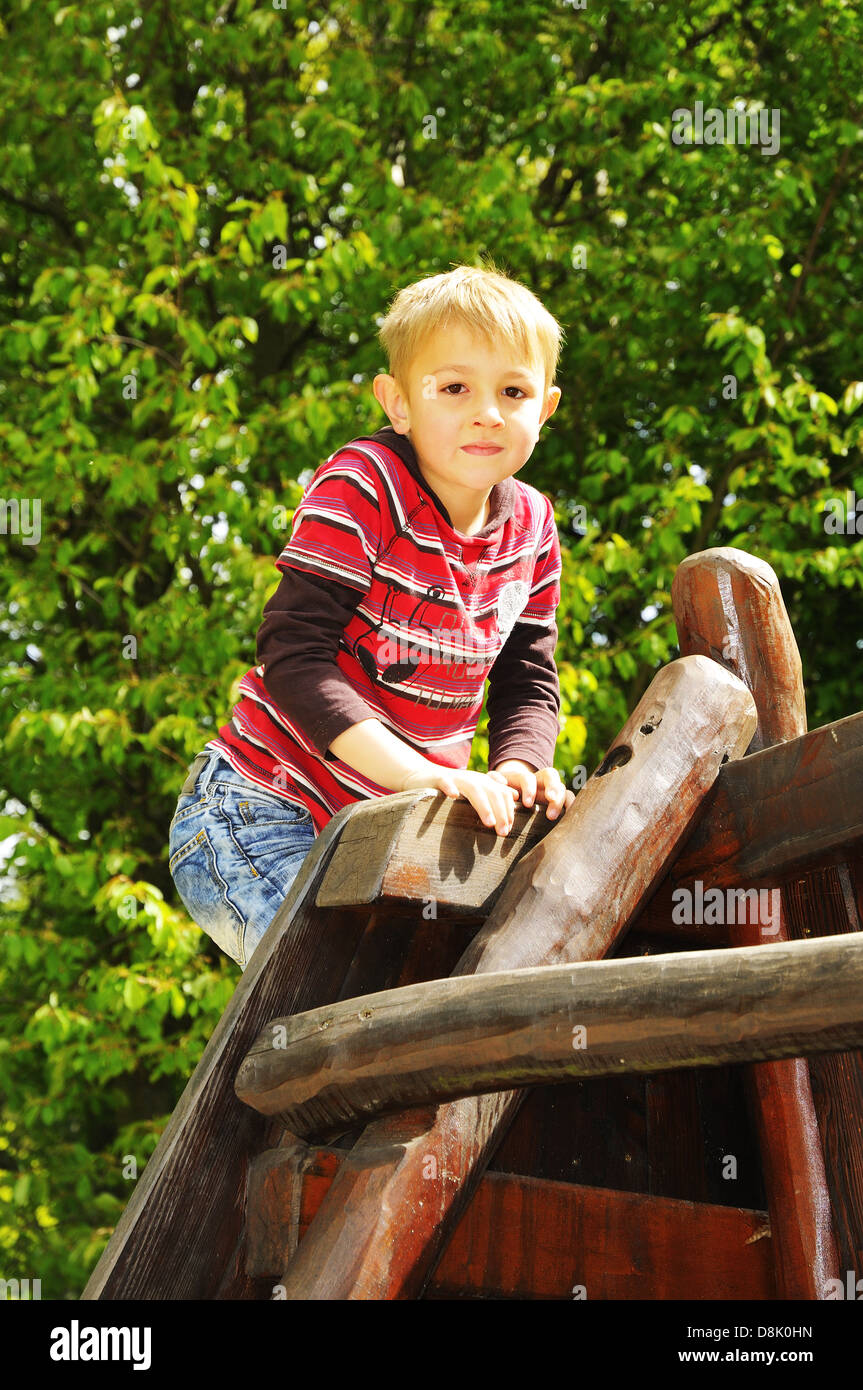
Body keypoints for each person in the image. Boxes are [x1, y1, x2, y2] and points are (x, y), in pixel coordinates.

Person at [168, 262, 573, 970]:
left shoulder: (532, 528)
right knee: (325, 989)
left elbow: (526, 680)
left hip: (383, 832)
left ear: (545, 408)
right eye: (454, 388)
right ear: (398, 403)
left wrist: (517, 766)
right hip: (263, 806)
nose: (486, 411)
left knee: (413, 999)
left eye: (512, 391)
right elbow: (292, 653)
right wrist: (419, 772)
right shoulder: (366, 484)